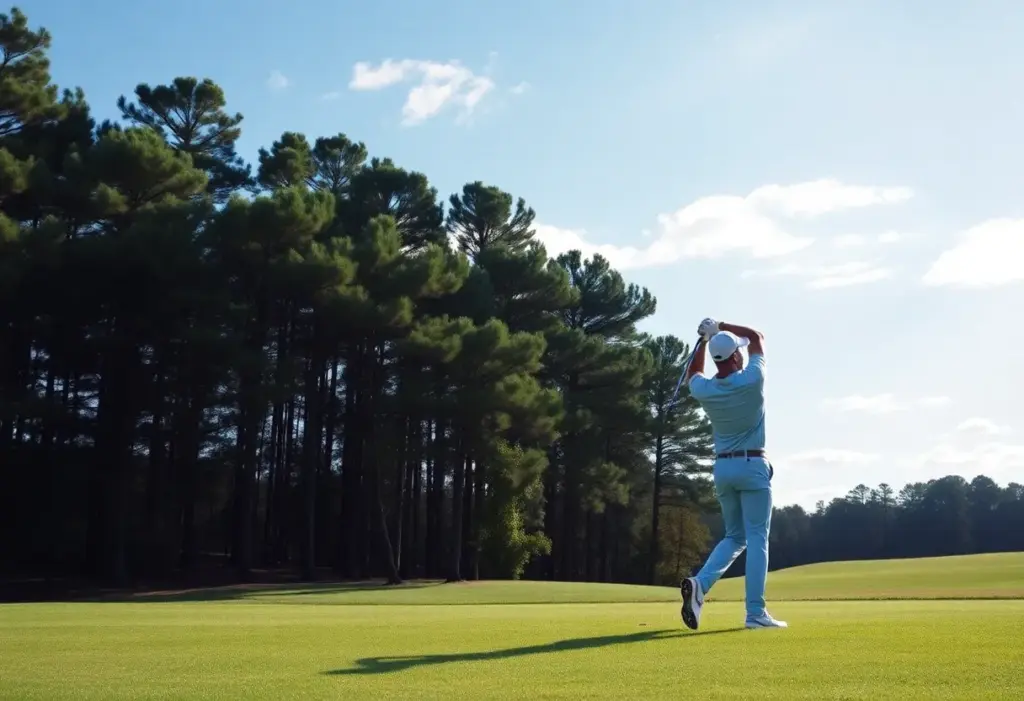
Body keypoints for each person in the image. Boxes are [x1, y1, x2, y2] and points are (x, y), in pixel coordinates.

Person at [678, 317, 787, 631]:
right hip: (752, 466)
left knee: (734, 536)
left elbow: (694, 373)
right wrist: (722, 324)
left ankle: (700, 585)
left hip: (722, 468)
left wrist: (702, 340)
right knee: (756, 538)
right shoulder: (753, 378)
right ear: (736, 357)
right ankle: (755, 613)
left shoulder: (705, 390)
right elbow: (756, 336)